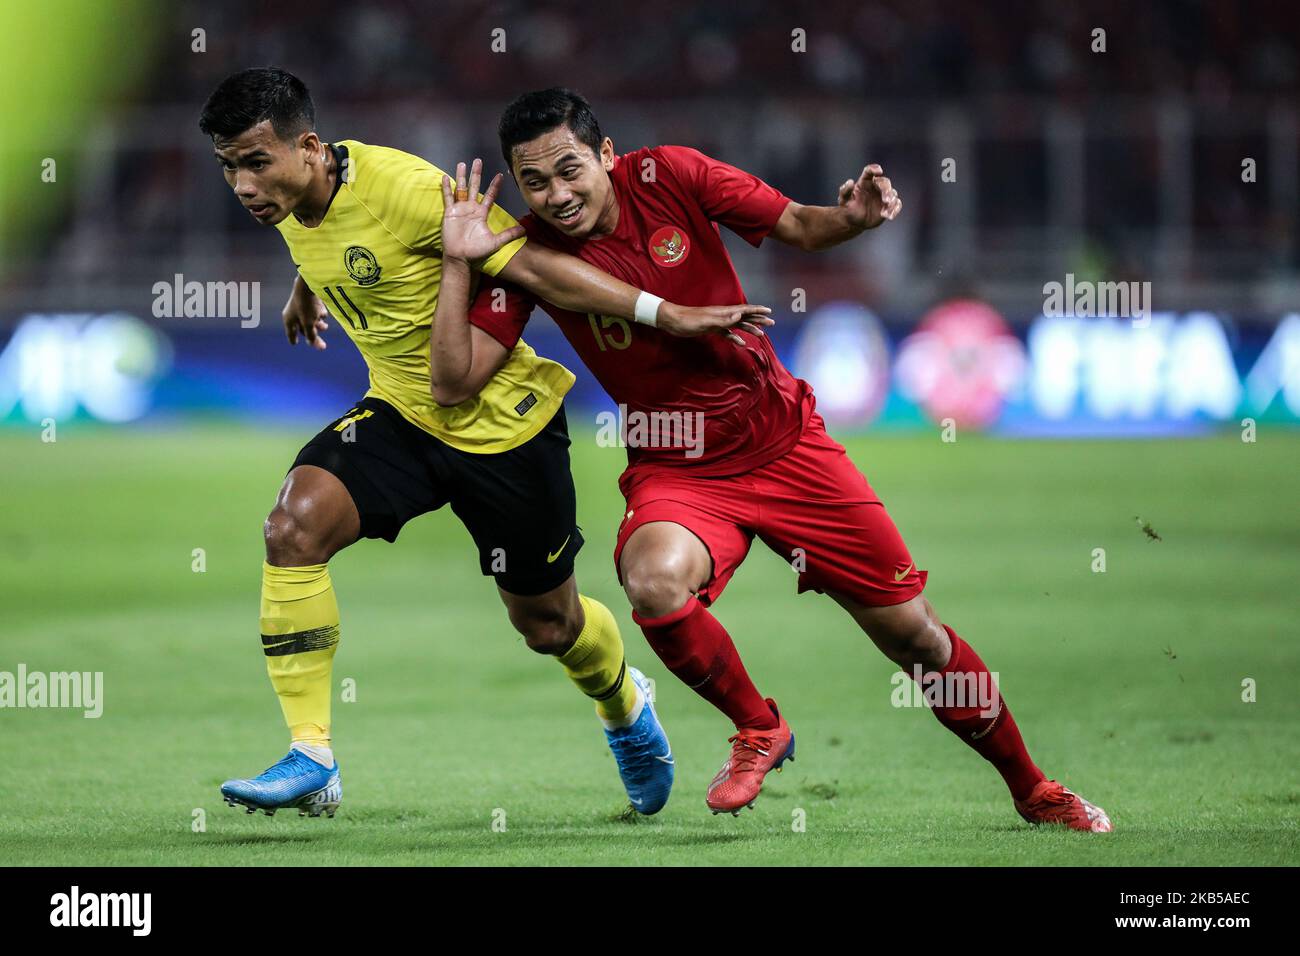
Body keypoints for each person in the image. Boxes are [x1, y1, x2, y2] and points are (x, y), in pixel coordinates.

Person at [431, 88, 1111, 832]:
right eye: (535, 181)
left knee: (913, 634)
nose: (557, 194)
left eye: (570, 170)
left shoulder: (674, 176)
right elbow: (454, 382)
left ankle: (1033, 789)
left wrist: (849, 220)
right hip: (677, 463)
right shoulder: (526, 255)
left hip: (785, 442)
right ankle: (759, 728)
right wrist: (461, 264)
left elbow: (795, 223)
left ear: (606, 155)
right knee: (653, 581)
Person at [201, 68, 767, 818]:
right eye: (228, 166)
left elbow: (539, 270)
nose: (242, 184)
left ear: (308, 147)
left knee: (549, 625)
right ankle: (313, 753)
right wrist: (306, 286)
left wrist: (668, 314)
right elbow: (335, 242)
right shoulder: (292, 195)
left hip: (506, 427)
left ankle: (626, 705)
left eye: (254, 161)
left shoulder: (403, 188)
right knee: (292, 526)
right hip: (402, 415)